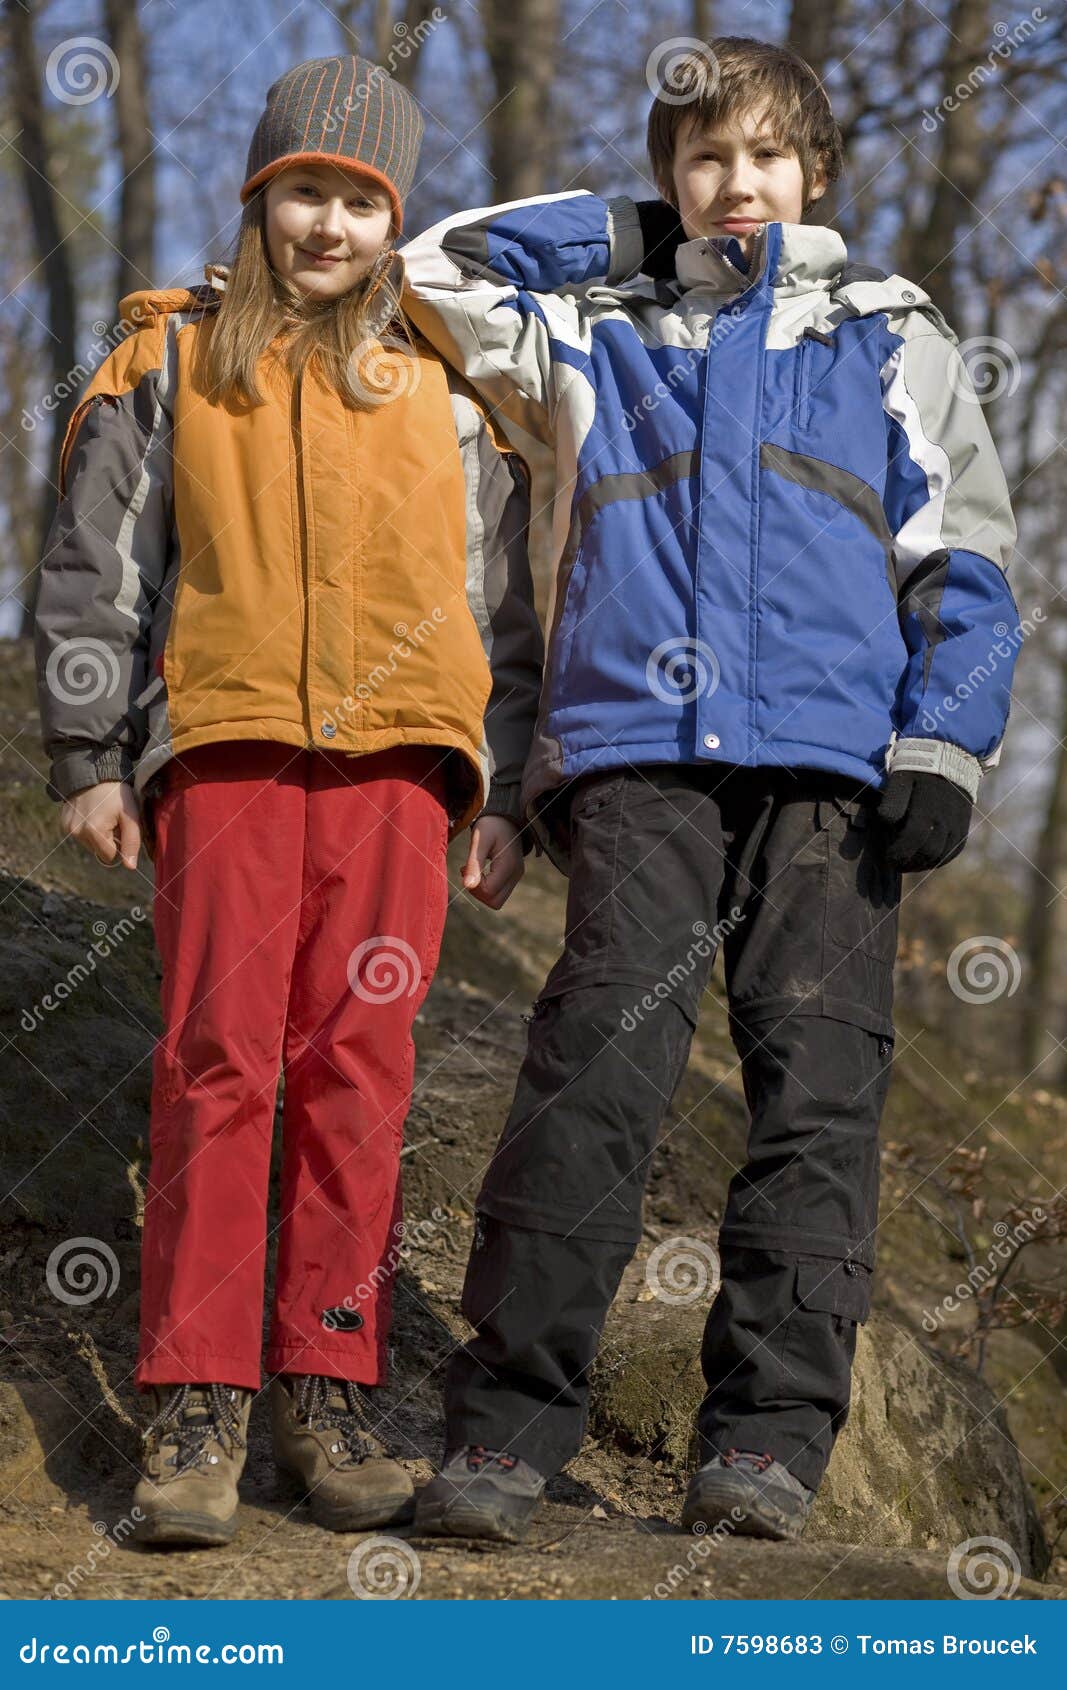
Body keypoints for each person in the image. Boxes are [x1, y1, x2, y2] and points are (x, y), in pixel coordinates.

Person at [398, 34, 1021, 1543]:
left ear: (815, 174)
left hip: (832, 774)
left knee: (818, 1096)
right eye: (704, 159)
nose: (736, 185)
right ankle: (506, 1427)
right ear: (670, 179)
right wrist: (624, 233)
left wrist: (943, 738)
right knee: (596, 1074)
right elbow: (432, 266)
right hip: (638, 760)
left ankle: (764, 1442)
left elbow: (970, 554)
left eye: (764, 158)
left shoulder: (889, 325)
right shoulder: (591, 327)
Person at [33, 54, 542, 1548]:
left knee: (358, 1066)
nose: (328, 224)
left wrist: (504, 783)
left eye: (361, 198)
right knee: (216, 1062)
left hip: (401, 769)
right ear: (261, 198)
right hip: (232, 747)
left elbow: (501, 604)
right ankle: (196, 1401)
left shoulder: (447, 383)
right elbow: (94, 566)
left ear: (397, 218)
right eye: (303, 191)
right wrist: (88, 752)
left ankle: (328, 1380)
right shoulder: (174, 358)